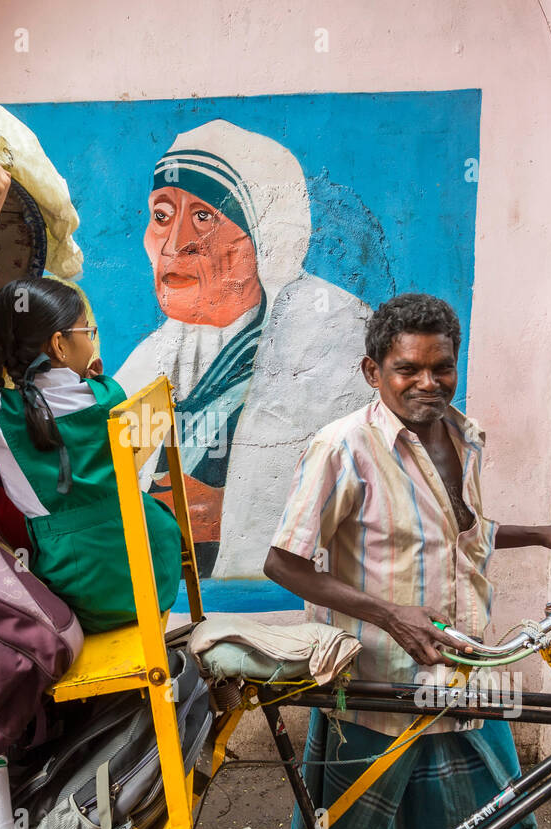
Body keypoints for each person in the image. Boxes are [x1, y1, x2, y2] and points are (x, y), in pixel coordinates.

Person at [263, 293, 551, 829]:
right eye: (408, 369)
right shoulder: (341, 448)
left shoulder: (463, 437)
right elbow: (284, 564)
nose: (428, 382)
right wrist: (391, 615)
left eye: (442, 367)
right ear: (373, 372)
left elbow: (459, 537)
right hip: (379, 689)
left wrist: (546, 533)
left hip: (468, 671)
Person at [0, 163, 183, 635]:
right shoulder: (112, 393)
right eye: (89, 332)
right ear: (60, 346)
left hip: (88, 595)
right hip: (157, 568)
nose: (94, 342)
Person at [116, 119, 371, 578]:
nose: (176, 246)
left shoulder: (334, 337)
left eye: (203, 216)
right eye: (161, 216)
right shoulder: (147, 362)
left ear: (264, 238)